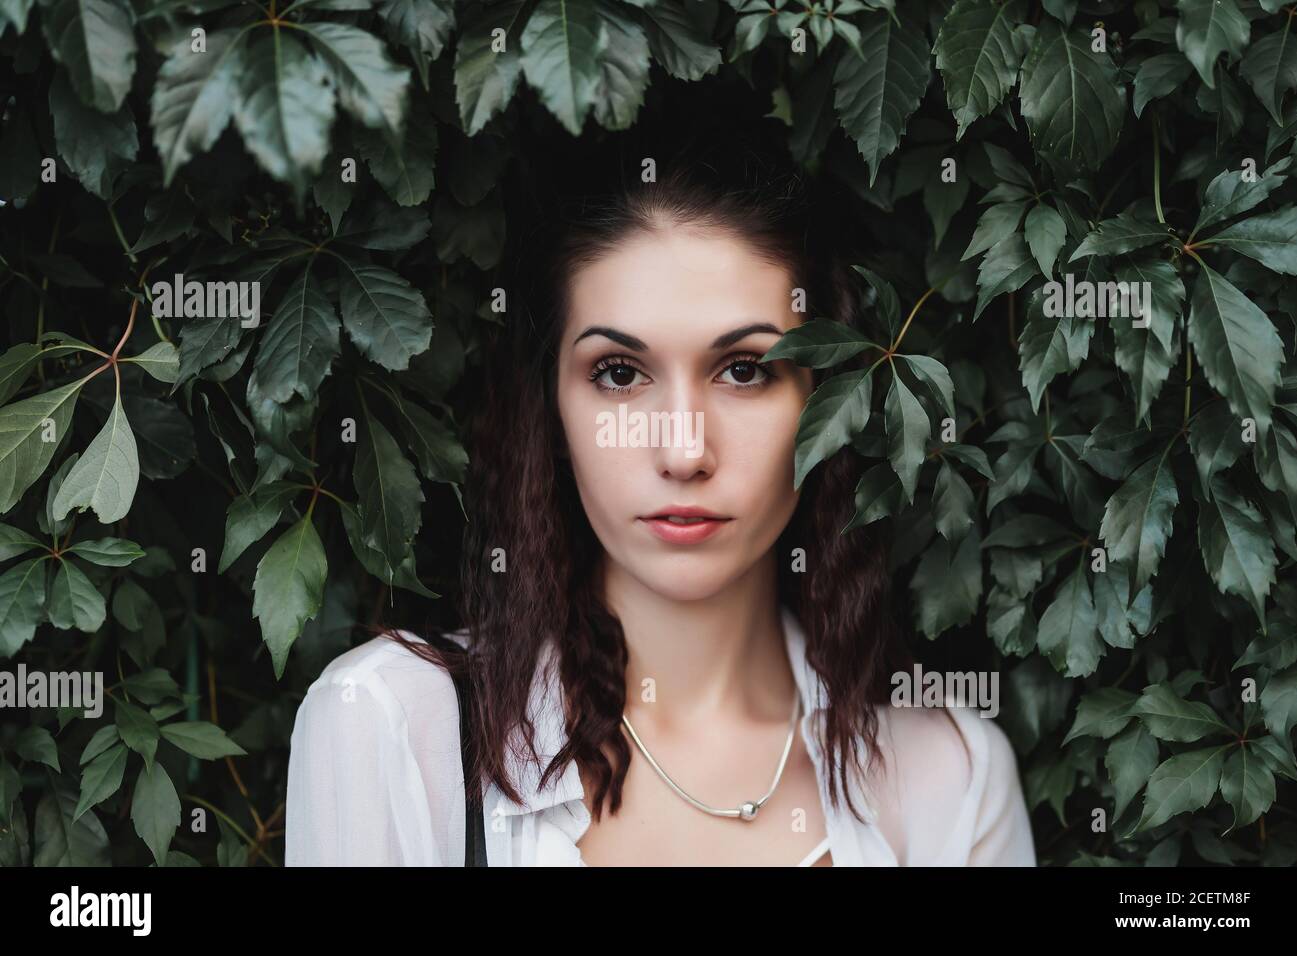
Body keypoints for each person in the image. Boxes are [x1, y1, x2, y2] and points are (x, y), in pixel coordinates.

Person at [285, 148, 1036, 867]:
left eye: (744, 370)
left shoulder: (950, 782)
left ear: (825, 400)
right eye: (619, 373)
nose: (683, 452)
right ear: (552, 409)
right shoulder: (390, 725)